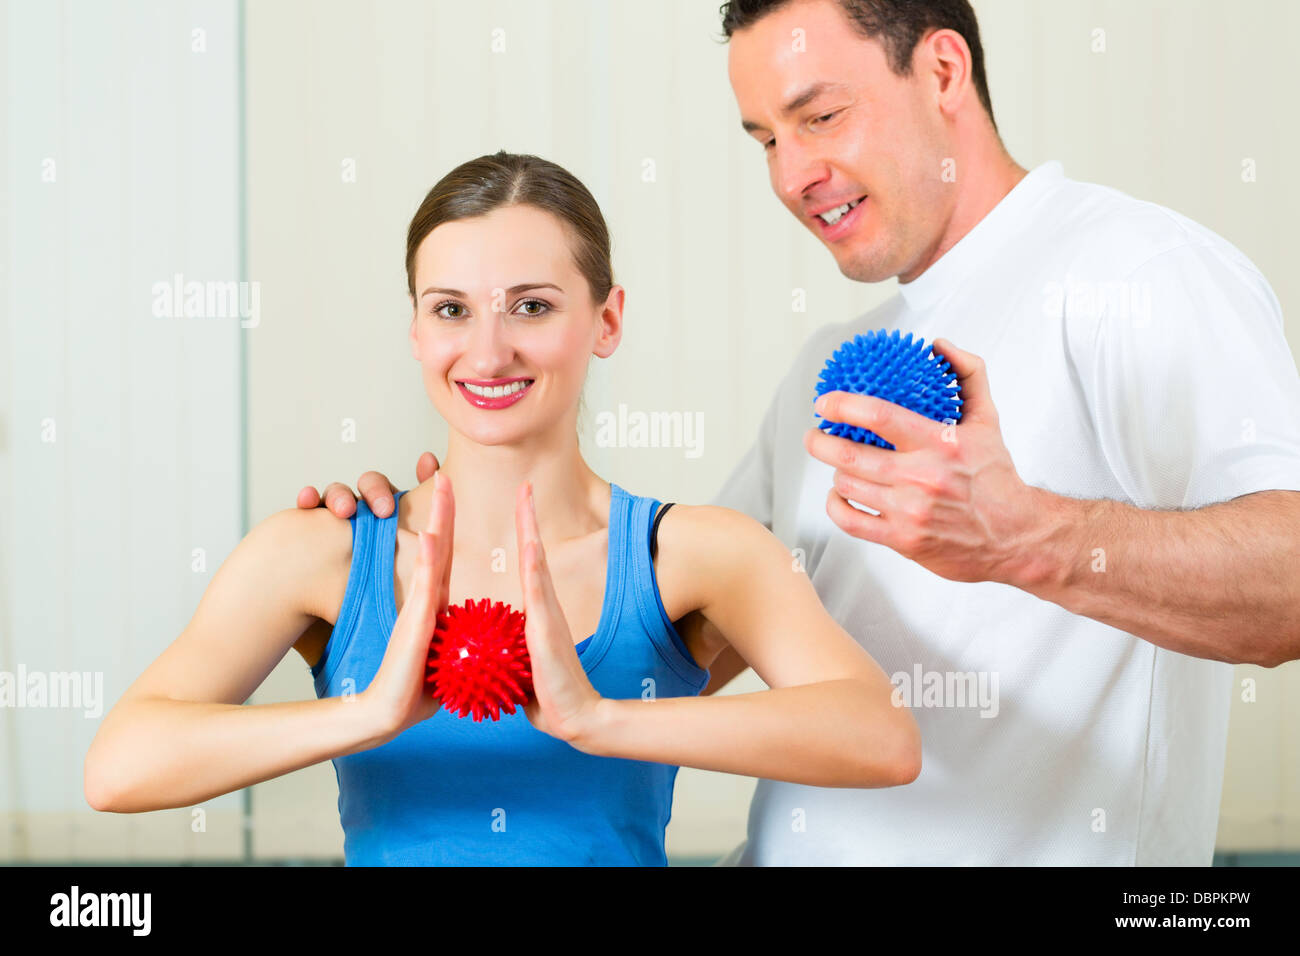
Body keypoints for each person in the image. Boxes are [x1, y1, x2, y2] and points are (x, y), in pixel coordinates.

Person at [308, 0, 1300, 865]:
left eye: (819, 116)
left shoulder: (1136, 272)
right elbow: (659, 624)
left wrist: (1026, 535)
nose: (793, 174)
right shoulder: (836, 358)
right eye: (764, 138)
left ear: (943, 69)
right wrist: (399, 559)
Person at [82, 150, 921, 866]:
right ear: (416, 329)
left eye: (532, 306)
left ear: (606, 319)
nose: (488, 350)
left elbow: (880, 738)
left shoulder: (696, 556)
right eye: (451, 309)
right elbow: (119, 769)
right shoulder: (324, 553)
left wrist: (599, 719)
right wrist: (364, 713)